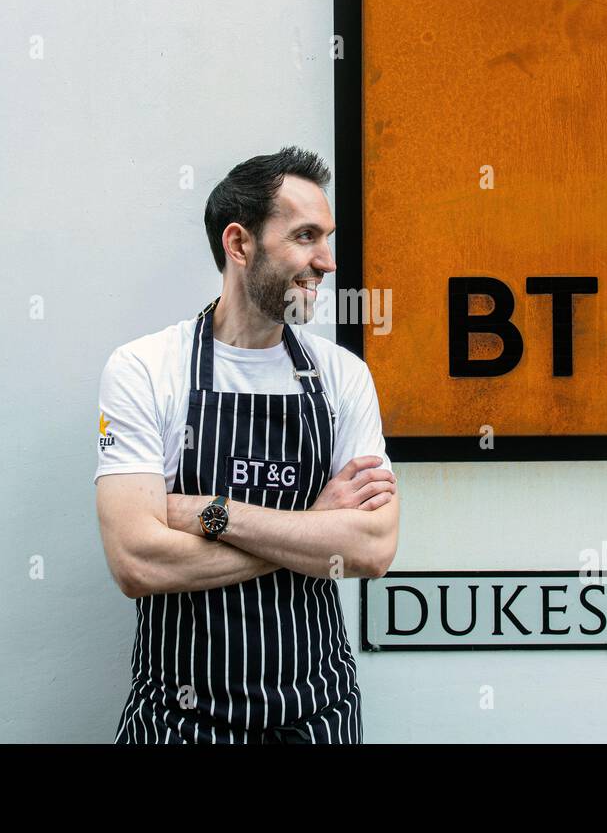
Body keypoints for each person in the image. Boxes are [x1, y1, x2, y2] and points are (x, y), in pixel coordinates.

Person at [94, 145, 399, 744]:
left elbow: (371, 547)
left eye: (326, 238)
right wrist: (312, 526)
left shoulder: (342, 376)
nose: (327, 262)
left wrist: (211, 514)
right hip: (178, 722)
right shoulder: (145, 369)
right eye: (306, 237)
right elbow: (136, 561)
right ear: (240, 245)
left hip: (316, 717)